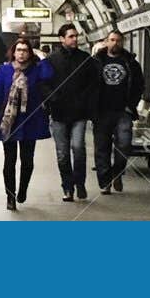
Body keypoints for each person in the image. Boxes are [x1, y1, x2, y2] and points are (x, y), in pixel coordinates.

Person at [0, 37, 54, 210]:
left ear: (30, 53)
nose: (21, 53)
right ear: (13, 52)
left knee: (27, 160)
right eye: (19, 50)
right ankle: (10, 195)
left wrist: (43, 56)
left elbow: (49, 75)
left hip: (30, 120)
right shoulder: (4, 70)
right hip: (8, 122)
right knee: (9, 161)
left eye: (25, 50)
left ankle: (22, 189)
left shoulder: (36, 70)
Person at [45, 23, 96, 202]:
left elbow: (94, 84)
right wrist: (52, 98)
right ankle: (67, 187)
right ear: (62, 39)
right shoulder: (51, 60)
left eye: (76, 36)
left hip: (79, 114)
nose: (75, 39)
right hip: (59, 114)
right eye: (71, 36)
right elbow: (43, 83)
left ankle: (79, 183)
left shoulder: (86, 59)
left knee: (78, 148)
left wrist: (87, 103)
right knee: (63, 153)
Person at [92, 29, 145, 193]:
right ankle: (105, 182)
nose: (115, 43)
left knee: (124, 144)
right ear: (106, 42)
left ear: (122, 43)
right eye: (112, 40)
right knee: (102, 148)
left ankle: (117, 173)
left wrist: (132, 104)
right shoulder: (96, 62)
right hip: (102, 111)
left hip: (123, 111)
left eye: (118, 40)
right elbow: (88, 85)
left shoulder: (130, 62)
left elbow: (139, 85)